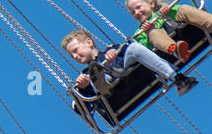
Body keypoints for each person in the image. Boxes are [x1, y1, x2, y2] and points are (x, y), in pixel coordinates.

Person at [61, 27, 197, 101]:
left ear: (89, 43)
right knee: (92, 76)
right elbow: (83, 109)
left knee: (134, 48)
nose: (75, 56)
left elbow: (132, 54)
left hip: (123, 69)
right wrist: (83, 88)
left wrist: (113, 57)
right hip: (112, 91)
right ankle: (102, 81)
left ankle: (178, 79)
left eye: (75, 50)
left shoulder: (112, 49)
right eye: (71, 55)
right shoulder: (85, 74)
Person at [125, 0, 212, 64]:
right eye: (132, 12)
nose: (137, 12)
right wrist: (148, 31)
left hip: (186, 30)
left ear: (151, 4)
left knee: (183, 8)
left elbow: (181, 14)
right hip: (167, 52)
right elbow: (145, 50)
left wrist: (168, 12)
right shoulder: (140, 32)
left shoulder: (164, 11)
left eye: (138, 7)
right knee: (154, 33)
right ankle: (175, 49)